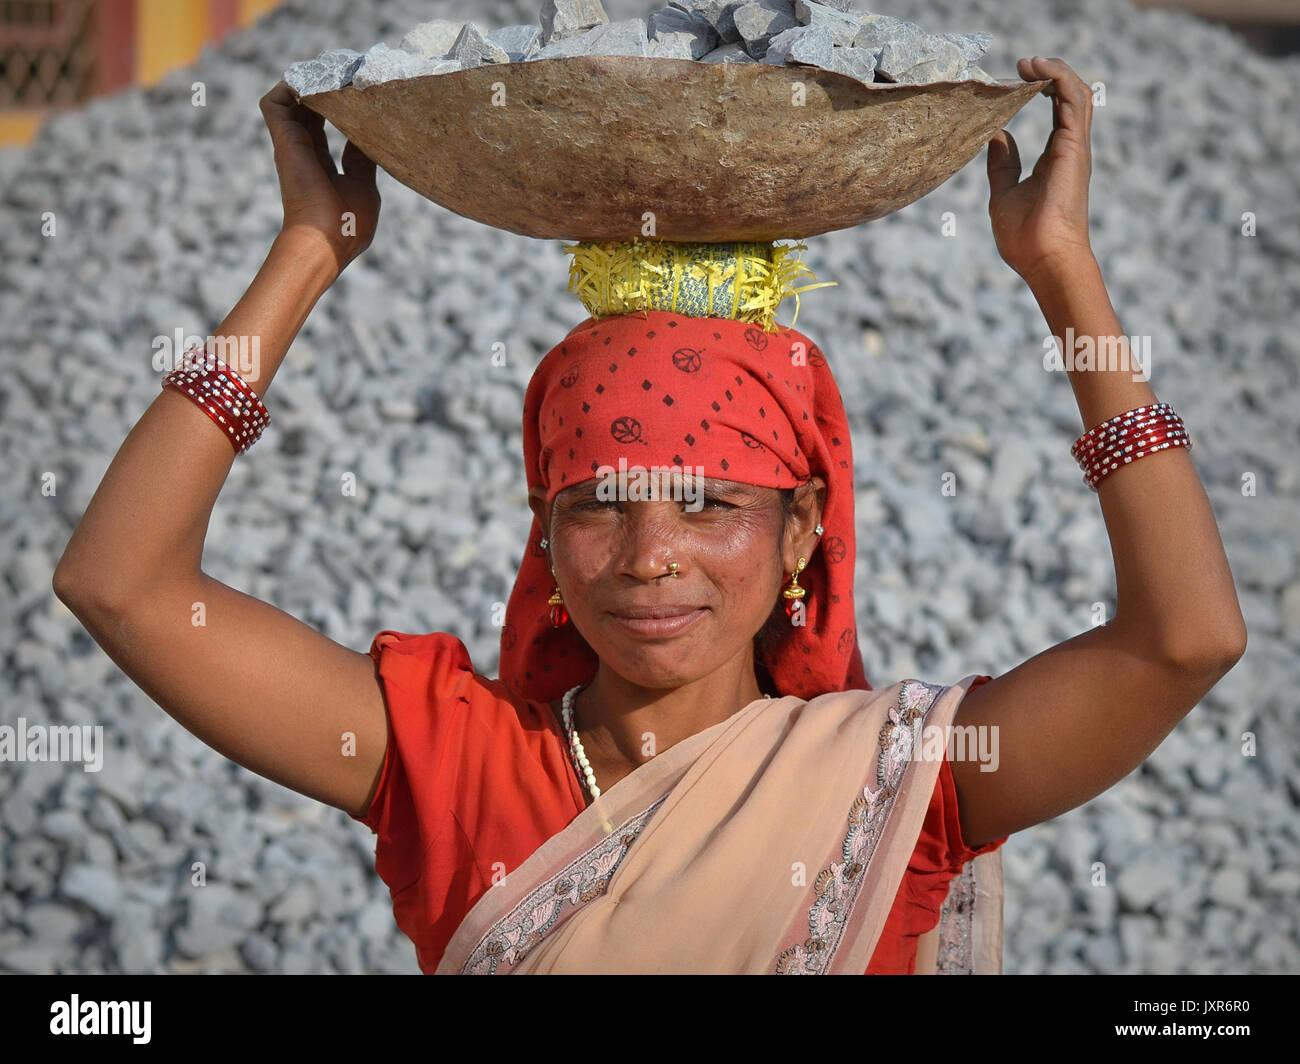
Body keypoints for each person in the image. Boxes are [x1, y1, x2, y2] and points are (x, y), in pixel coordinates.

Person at [53, 57, 1246, 975]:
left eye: (712, 502)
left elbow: (1183, 638)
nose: (648, 556)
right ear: (543, 526)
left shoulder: (903, 778)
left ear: (802, 527)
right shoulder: (450, 760)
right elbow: (123, 584)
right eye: (596, 505)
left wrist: (1062, 269)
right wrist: (307, 251)